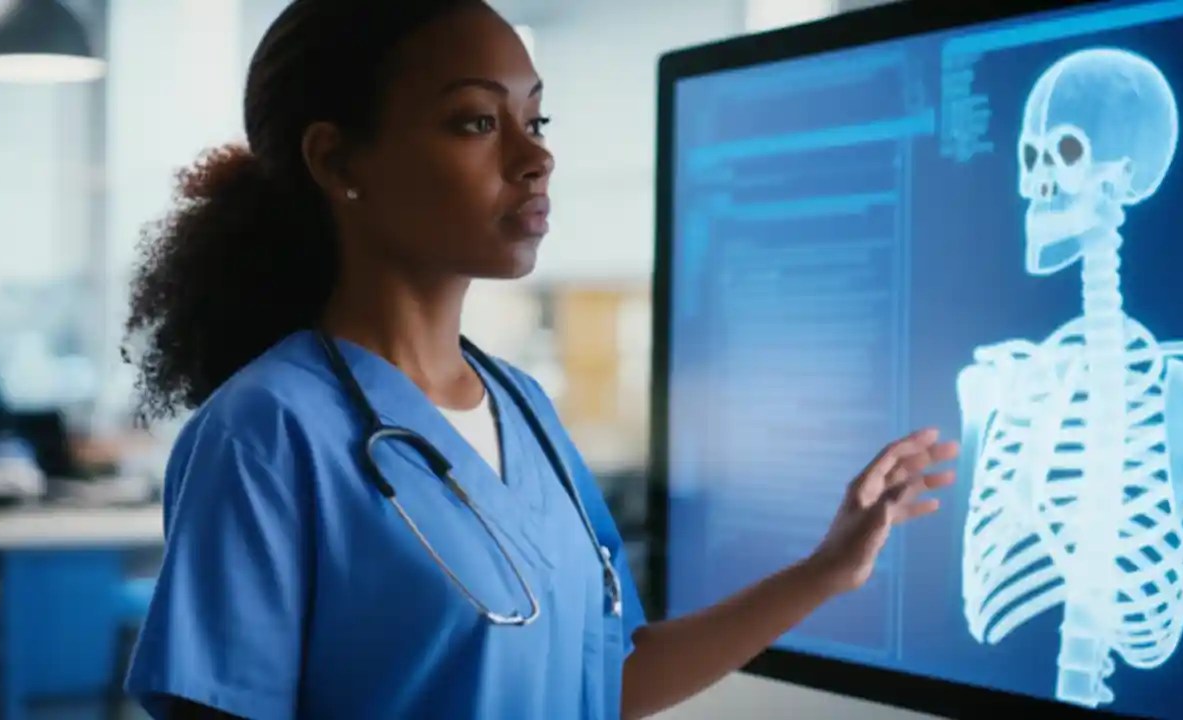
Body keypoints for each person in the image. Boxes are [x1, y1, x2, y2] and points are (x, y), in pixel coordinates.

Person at [120, 1, 959, 718]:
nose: (536, 156)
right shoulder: (266, 432)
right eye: (478, 122)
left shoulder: (520, 407)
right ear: (337, 160)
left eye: (537, 119)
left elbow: (611, 678)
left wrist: (826, 570)